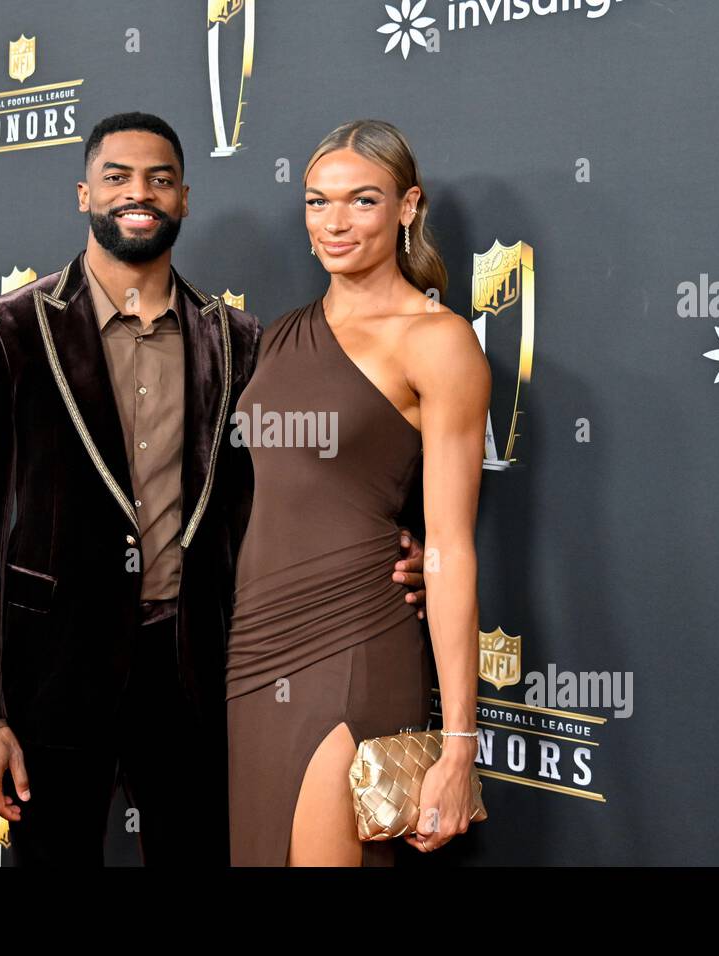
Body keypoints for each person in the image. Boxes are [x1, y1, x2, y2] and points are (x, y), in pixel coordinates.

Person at [0, 112, 429, 866]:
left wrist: (388, 546)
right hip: (53, 678)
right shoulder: (9, 329)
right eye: (117, 178)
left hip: (195, 672)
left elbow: (281, 487)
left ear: (184, 199)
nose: (139, 194)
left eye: (159, 180)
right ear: (83, 194)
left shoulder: (237, 340)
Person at [225, 119, 490, 866]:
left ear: (408, 206)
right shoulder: (272, 338)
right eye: (317, 202)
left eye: (361, 201)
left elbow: (450, 548)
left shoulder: (438, 342)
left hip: (349, 641)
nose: (334, 223)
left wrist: (460, 743)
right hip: (248, 651)